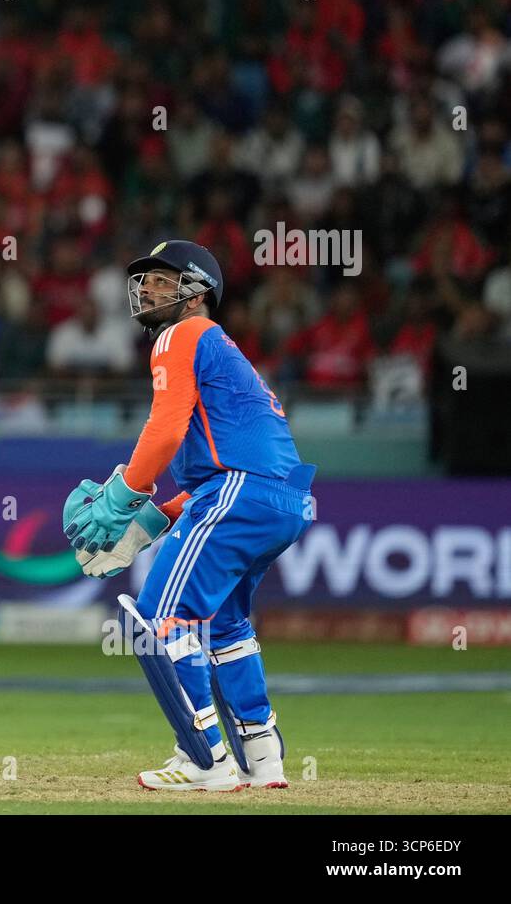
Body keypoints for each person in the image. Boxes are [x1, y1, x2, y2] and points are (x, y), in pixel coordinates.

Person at [61, 240, 315, 792]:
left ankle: (204, 759)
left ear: (197, 291)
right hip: (281, 500)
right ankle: (261, 752)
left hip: (238, 492)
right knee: (225, 623)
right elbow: (243, 466)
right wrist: (161, 514)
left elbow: (167, 429)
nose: (147, 288)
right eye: (144, 279)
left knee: (157, 619)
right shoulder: (223, 350)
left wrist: (122, 497)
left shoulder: (184, 333)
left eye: (162, 278)